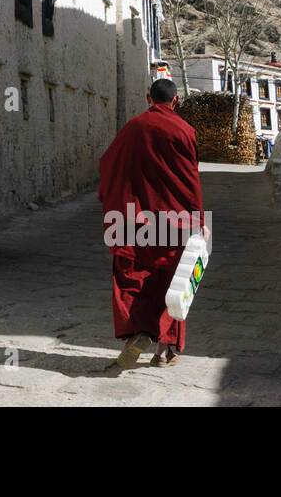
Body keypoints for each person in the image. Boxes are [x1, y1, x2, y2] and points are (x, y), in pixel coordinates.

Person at [98, 78, 206, 368]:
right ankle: (165, 350)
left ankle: (140, 330)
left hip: (135, 220)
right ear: (176, 101)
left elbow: (108, 163)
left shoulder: (134, 128)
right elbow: (190, 180)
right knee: (175, 280)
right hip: (176, 220)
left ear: (149, 98)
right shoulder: (186, 131)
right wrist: (199, 218)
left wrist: (111, 199)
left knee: (136, 276)